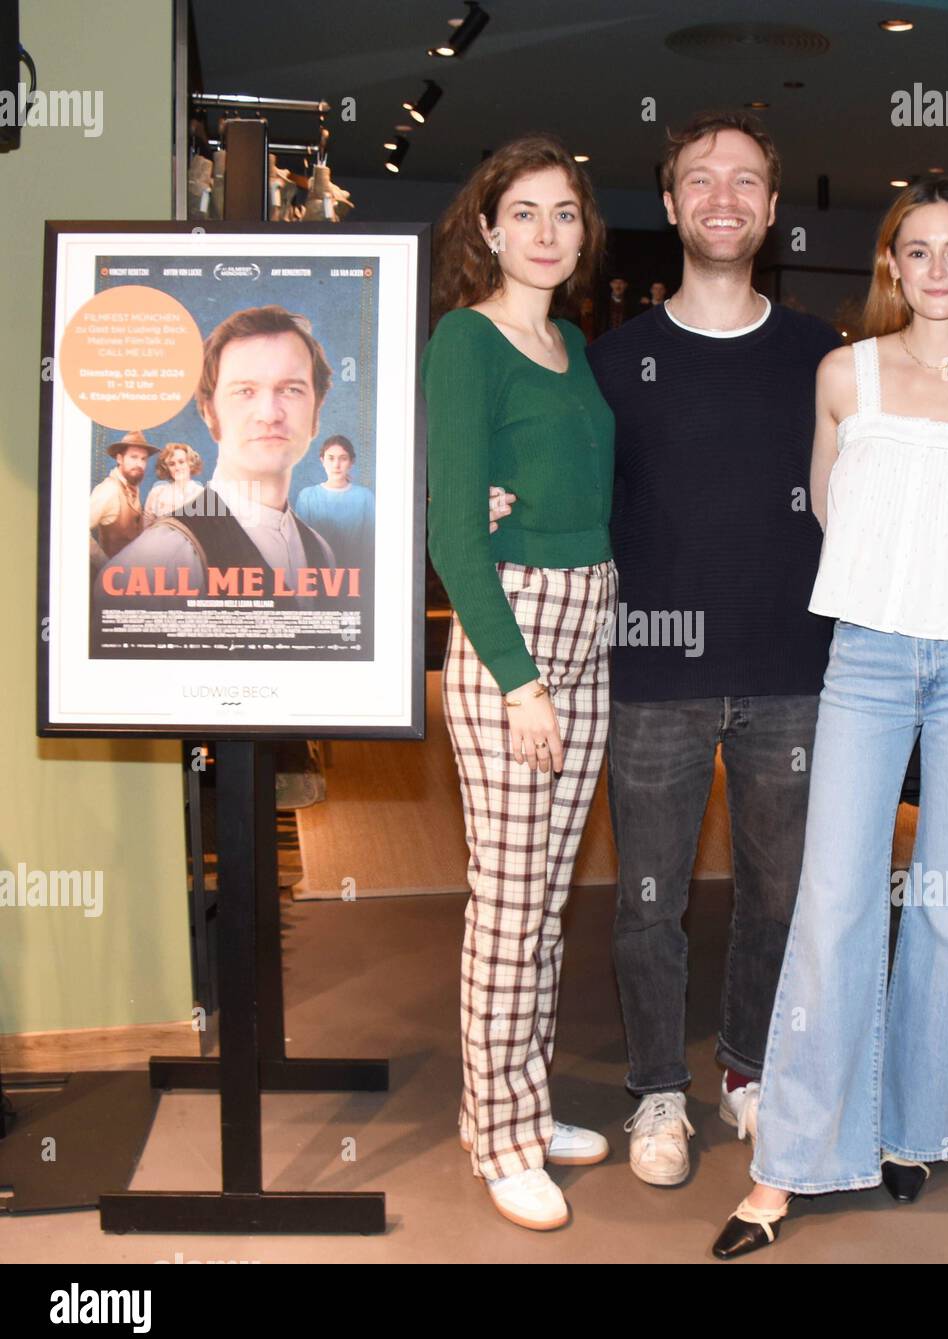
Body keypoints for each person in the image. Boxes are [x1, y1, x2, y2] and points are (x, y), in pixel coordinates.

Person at [487, 114, 948, 1188]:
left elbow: (896, 490)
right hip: (649, 679)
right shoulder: (612, 361)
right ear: (671, 205)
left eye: (744, 181)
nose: (721, 196)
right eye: (697, 180)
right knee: (647, 903)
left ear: (771, 210)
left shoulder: (828, 359)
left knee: (782, 899)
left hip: (794, 675)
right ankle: (653, 1096)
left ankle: (745, 1067)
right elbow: (561, 480)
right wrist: (500, 509)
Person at [711, 178, 948, 1258]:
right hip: (865, 657)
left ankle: (915, 1127)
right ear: (890, 264)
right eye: (916, 249)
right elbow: (824, 506)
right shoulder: (842, 373)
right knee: (836, 901)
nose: (937, 267)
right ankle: (789, 1166)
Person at [422, 133, 617, 1232]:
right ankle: (498, 1137)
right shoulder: (468, 339)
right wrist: (519, 681)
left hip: (589, 627)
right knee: (505, 907)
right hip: (518, 643)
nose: (547, 233)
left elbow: (568, 496)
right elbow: (456, 532)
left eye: (566, 215)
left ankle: (521, 1108)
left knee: (544, 904)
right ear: (487, 229)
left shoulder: (571, 345)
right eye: (526, 213)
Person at [96, 305, 337, 595]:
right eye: (244, 391)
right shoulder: (155, 562)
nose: (269, 414)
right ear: (209, 412)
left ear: (316, 412)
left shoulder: (321, 552)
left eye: (291, 390)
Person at [294, 434, 376, 570]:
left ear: (351, 462)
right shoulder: (307, 496)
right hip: (317, 574)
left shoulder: (365, 497)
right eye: (331, 458)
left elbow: (371, 545)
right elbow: (301, 545)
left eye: (343, 459)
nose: (336, 465)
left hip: (357, 574)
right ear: (322, 460)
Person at [88, 429, 158, 575]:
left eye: (143, 459)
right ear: (119, 458)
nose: (139, 464)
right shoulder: (108, 490)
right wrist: (106, 567)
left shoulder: (132, 487)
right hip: (115, 582)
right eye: (133, 457)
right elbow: (77, 530)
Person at [143, 442, 204, 521]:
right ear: (167, 468)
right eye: (172, 464)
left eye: (181, 462)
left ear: (190, 464)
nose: (177, 467)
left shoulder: (201, 493)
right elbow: (147, 527)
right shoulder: (157, 493)